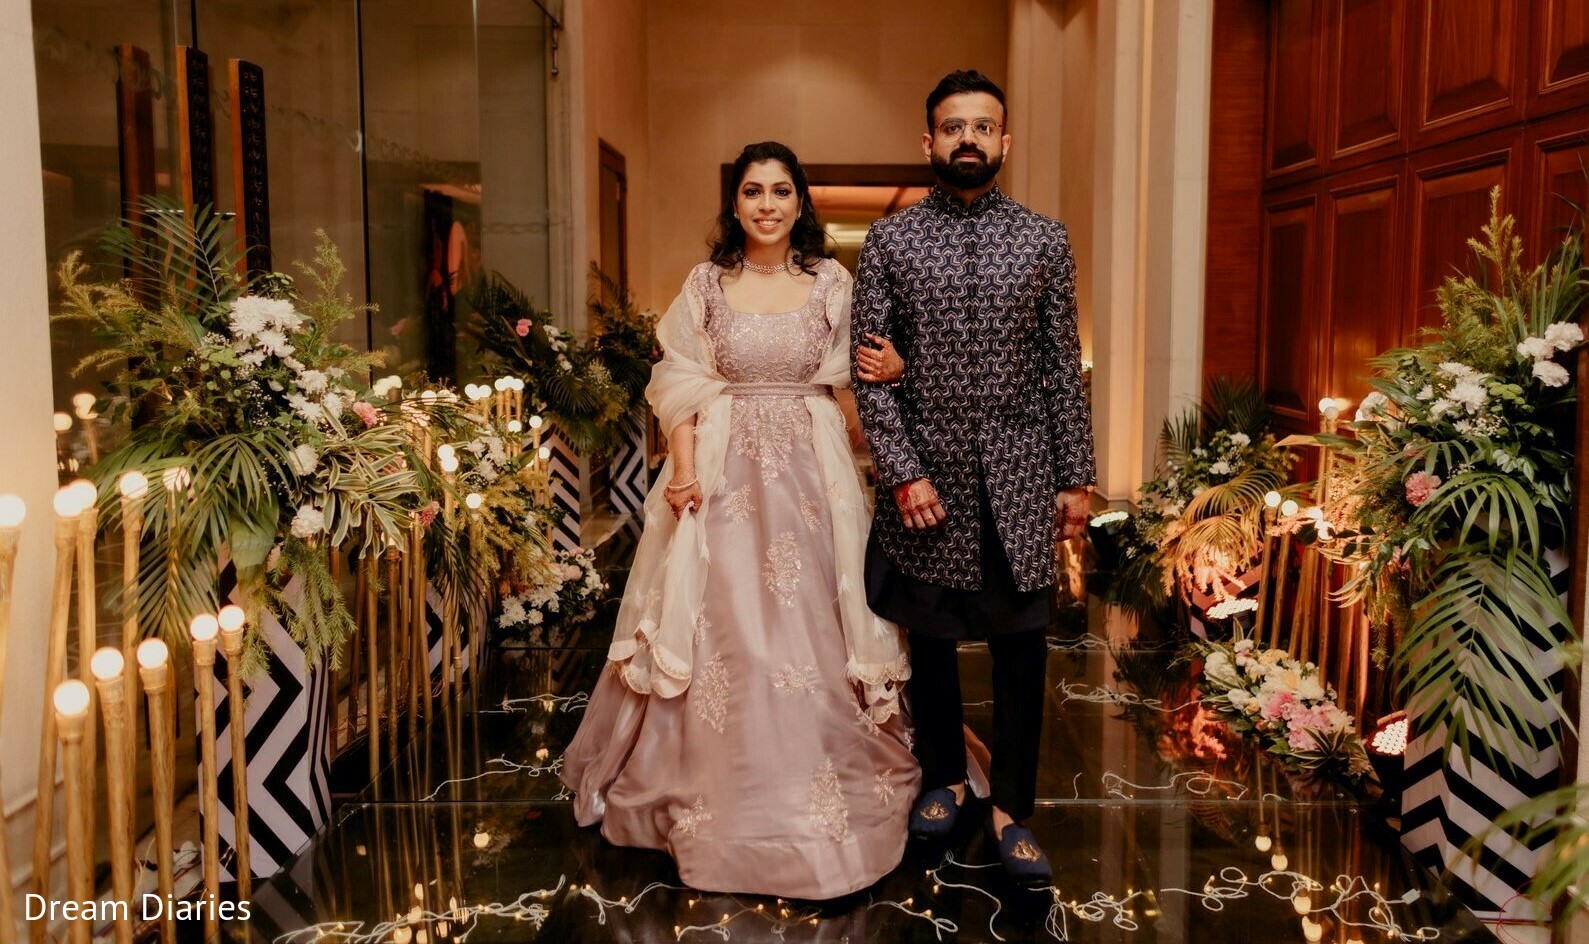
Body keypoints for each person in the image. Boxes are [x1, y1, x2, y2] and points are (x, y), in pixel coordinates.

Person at [561, 141, 919, 900]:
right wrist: (683, 470)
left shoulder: (830, 281)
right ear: (735, 204)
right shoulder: (705, 284)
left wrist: (890, 380)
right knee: (721, 617)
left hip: (811, 472)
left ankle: (816, 762)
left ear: (800, 203)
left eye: (780, 191)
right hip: (721, 469)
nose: (765, 204)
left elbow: (857, 373)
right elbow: (679, 381)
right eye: (752, 191)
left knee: (811, 616)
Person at [852, 70, 1096, 889]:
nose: (967, 139)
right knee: (934, 644)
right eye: (951, 127)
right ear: (927, 143)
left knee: (1022, 648)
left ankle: (1011, 810)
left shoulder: (1042, 239)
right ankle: (945, 780)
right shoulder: (890, 243)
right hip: (929, 485)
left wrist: (1076, 475)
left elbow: (1063, 366)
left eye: (981, 127)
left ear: (1003, 140)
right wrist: (904, 472)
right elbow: (869, 375)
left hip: (1022, 478)